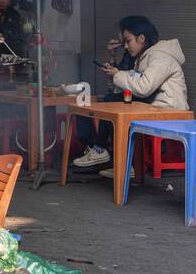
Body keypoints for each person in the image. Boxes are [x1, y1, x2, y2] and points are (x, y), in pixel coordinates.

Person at [72, 15, 188, 172]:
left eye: (128, 41)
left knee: (113, 102)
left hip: (169, 109)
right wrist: (114, 74)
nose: (126, 46)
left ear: (141, 38)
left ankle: (110, 156)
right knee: (113, 101)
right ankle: (121, 163)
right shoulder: (144, 57)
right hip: (154, 105)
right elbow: (129, 87)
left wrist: (117, 74)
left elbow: (144, 87)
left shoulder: (160, 57)